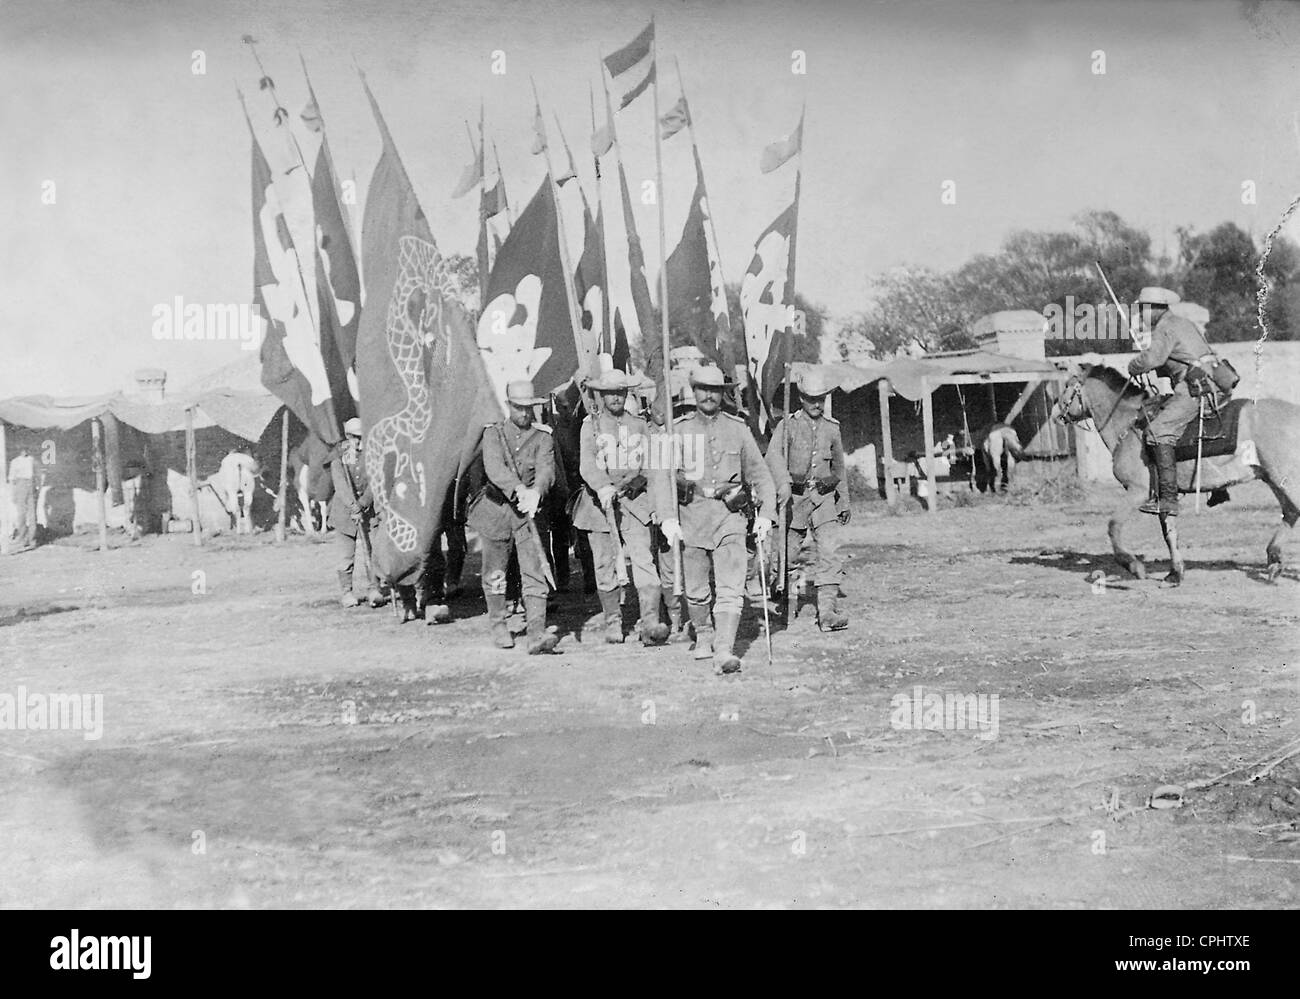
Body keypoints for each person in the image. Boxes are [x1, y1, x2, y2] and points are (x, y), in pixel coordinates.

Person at [654, 365, 778, 674]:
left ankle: (724, 649)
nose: (709, 395)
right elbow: (659, 477)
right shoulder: (676, 430)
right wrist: (667, 517)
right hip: (692, 515)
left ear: (723, 394)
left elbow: (760, 475)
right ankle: (704, 634)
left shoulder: (739, 429)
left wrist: (766, 514)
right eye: (703, 389)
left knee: (731, 586)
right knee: (696, 589)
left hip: (729, 517)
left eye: (715, 390)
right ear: (693, 391)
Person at [575, 369, 671, 645]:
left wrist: (653, 502)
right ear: (601, 396)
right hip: (600, 505)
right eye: (610, 393)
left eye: (620, 392)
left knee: (644, 560)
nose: (615, 398)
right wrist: (601, 485)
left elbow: (651, 465)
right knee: (604, 563)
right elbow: (587, 463)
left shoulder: (639, 424)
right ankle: (613, 621)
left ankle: (650, 621)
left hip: (635, 502)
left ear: (626, 394)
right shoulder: (590, 426)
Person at [468, 380, 561, 655]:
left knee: (533, 571)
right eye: (519, 408)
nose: (525, 413)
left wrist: (536, 492)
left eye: (529, 408)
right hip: (497, 511)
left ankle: (536, 632)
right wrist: (517, 488)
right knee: (495, 572)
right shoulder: (493, 434)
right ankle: (498, 625)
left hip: (528, 515)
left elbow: (547, 469)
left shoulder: (543, 436)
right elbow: (494, 468)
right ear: (509, 406)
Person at [1127, 287, 1223, 516]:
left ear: (1155, 309)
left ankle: (1168, 499)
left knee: (1158, 431)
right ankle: (1217, 487)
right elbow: (1177, 358)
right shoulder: (1183, 323)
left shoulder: (1164, 327)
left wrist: (1134, 364)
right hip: (1214, 382)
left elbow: (1153, 358)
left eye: (1143, 309)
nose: (1140, 314)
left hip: (1193, 387)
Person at [766, 370, 850, 630]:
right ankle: (781, 591)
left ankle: (826, 613)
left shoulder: (832, 428)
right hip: (795, 498)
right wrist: (782, 484)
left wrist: (843, 500)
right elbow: (773, 458)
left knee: (830, 552)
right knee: (786, 556)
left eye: (821, 399)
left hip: (824, 497)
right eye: (811, 399)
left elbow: (839, 468)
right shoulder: (787, 426)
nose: (816, 404)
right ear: (801, 398)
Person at [329, 418, 383, 608]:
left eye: (362, 438)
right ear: (348, 436)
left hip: (368, 511)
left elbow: (375, 482)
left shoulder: (372, 454)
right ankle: (347, 592)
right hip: (345, 513)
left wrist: (363, 503)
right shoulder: (340, 456)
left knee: (373, 551)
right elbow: (340, 484)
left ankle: (374, 588)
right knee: (345, 556)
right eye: (355, 438)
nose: (359, 442)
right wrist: (353, 506)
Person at [7, 446, 36, 550]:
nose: (24, 452)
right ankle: (22, 539)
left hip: (31, 485)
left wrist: (37, 488)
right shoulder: (15, 462)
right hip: (20, 485)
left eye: (26, 450)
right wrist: (13, 493)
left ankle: (32, 540)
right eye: (22, 450)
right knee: (21, 514)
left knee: (32, 515)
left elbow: (37, 475)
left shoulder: (32, 460)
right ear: (19, 451)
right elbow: (12, 479)